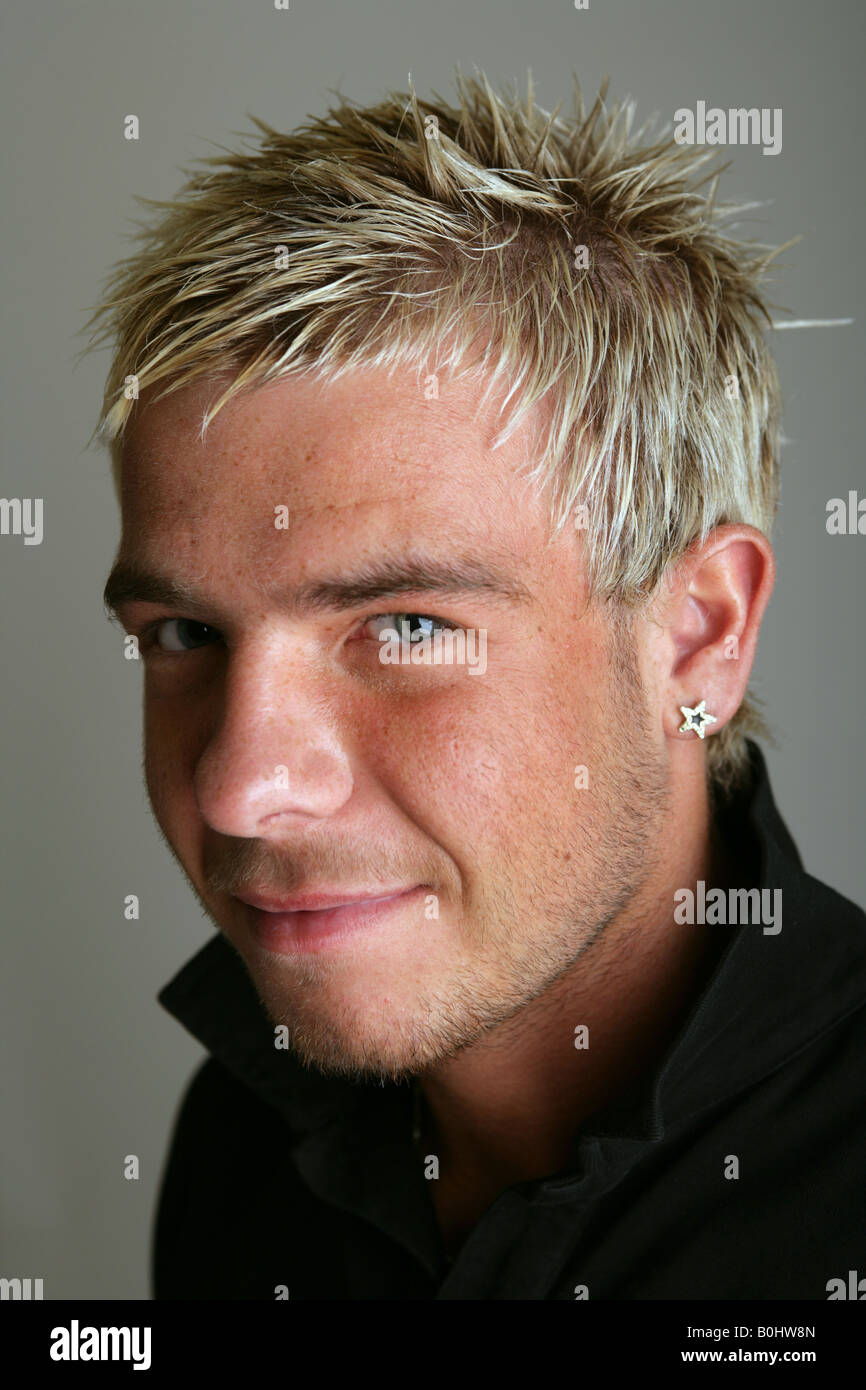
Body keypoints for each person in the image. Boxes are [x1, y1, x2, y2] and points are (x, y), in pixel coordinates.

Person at [87, 69, 866, 1299]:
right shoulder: (243, 1145)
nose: (240, 789)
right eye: (184, 632)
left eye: (403, 623)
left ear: (698, 634)